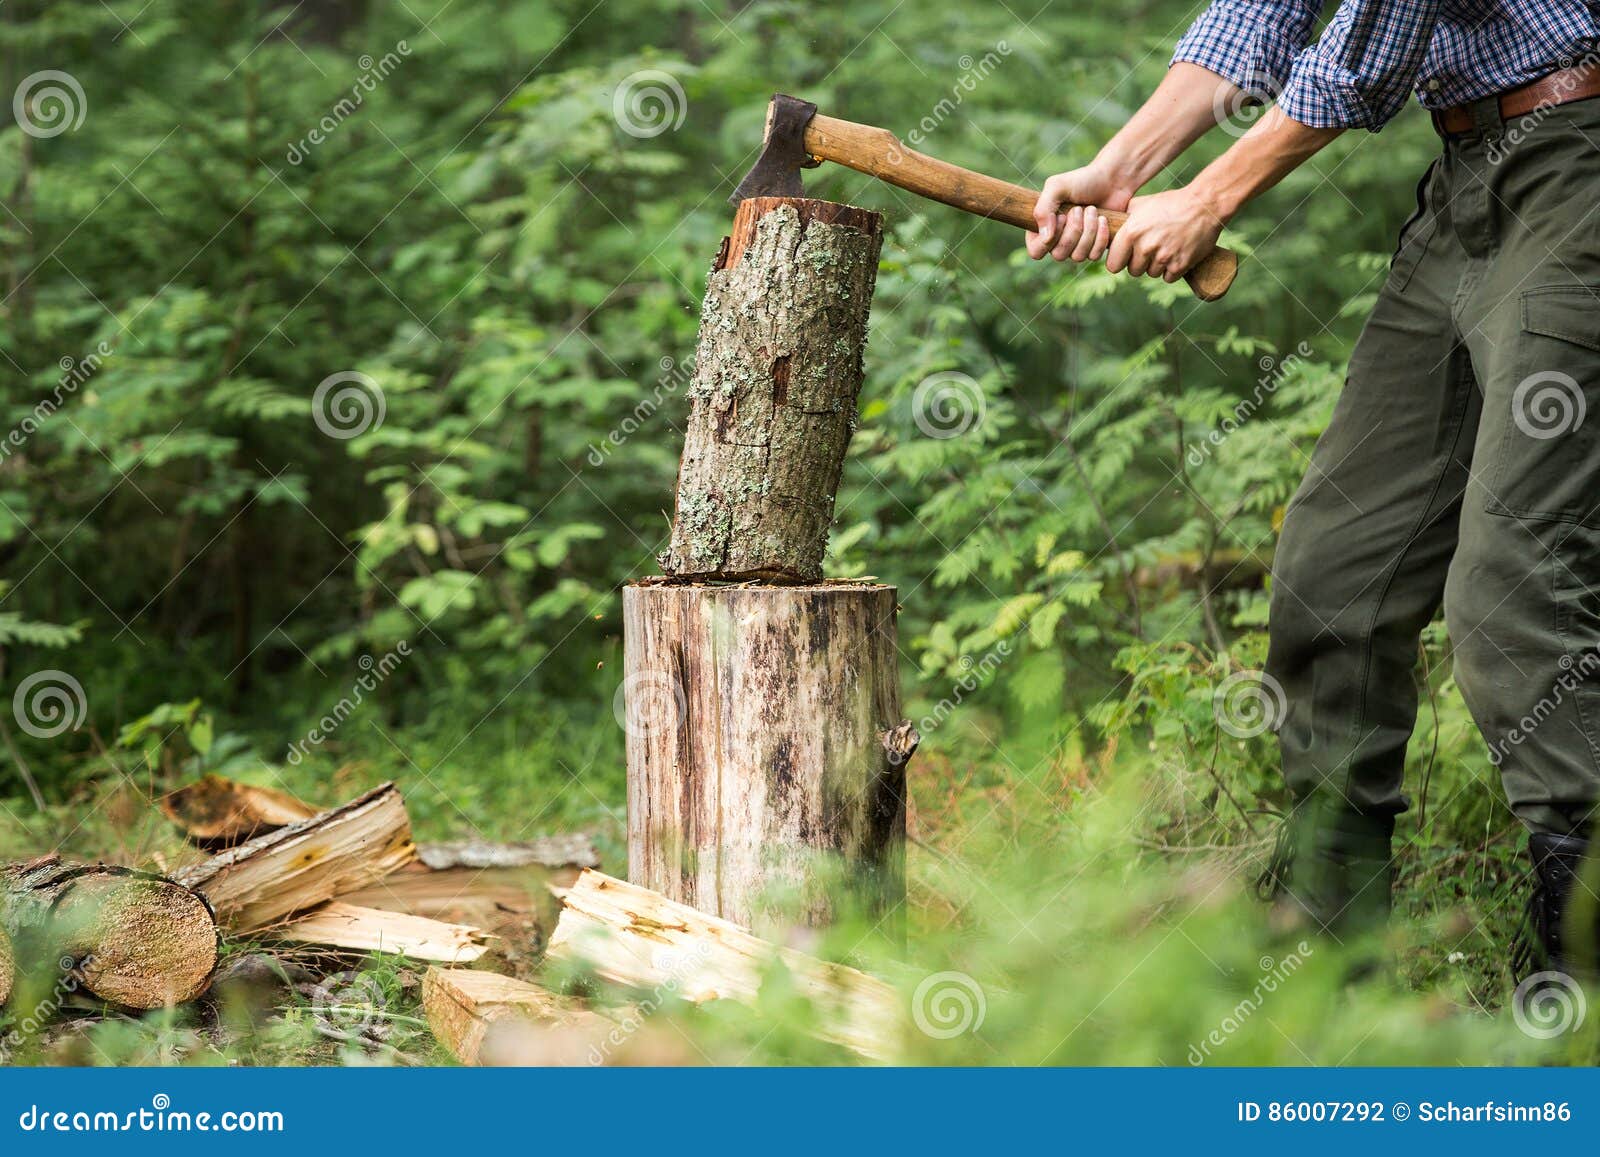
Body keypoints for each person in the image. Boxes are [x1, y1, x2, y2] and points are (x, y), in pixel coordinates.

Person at [1027, 2, 1600, 975]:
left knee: (1513, 594)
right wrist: (1122, 169)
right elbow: (1261, 13)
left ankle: (1581, 970)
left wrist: (1207, 198)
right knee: (1329, 582)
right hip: (1466, 176)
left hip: (1573, 166)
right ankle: (1337, 986)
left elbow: (1372, 48)